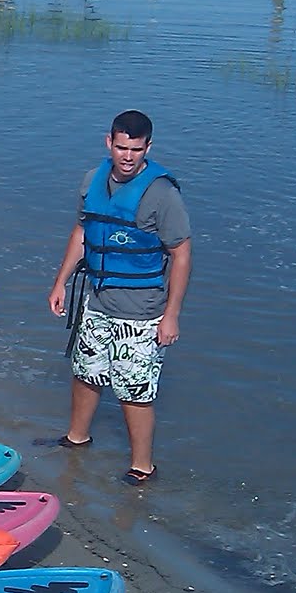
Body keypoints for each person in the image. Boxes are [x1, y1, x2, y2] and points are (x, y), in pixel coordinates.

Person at [47, 109, 192, 486]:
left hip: (141, 311)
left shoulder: (163, 195)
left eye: (137, 150)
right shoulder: (91, 181)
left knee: (135, 391)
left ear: (148, 148)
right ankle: (77, 438)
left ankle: (142, 467)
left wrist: (171, 314)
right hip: (96, 300)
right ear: (108, 143)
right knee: (85, 372)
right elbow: (82, 233)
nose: (128, 157)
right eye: (122, 147)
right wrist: (60, 281)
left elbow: (181, 253)